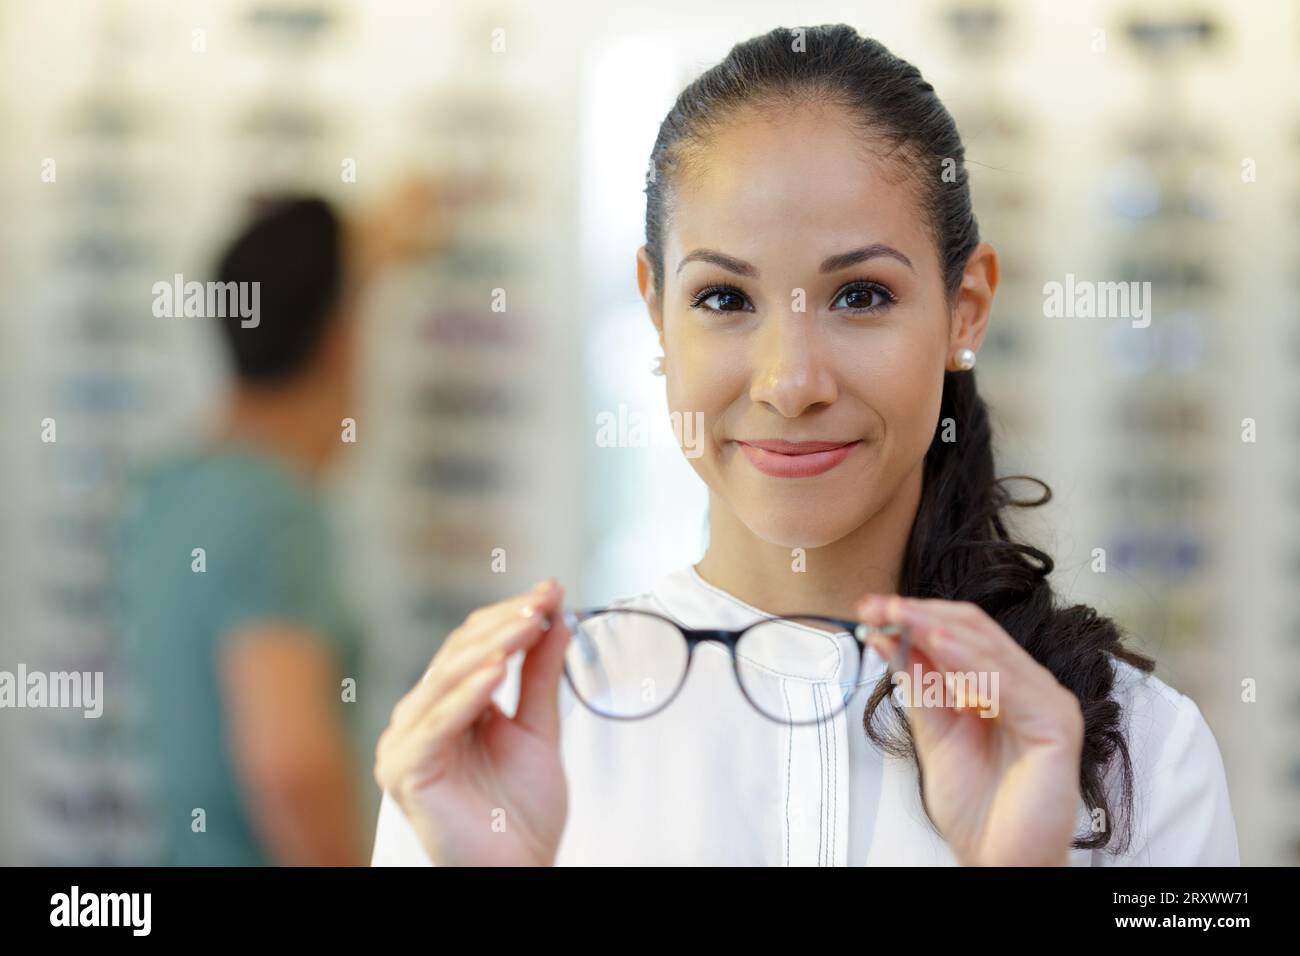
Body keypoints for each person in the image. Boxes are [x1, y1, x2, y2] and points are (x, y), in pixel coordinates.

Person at [369, 24, 1239, 866]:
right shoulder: (500, 738)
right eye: (723, 299)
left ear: (965, 310)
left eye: (860, 296)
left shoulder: (1141, 748)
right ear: (655, 311)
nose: (791, 383)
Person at [118, 184, 438, 865]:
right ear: (339, 341)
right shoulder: (273, 510)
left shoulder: (169, 489)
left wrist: (362, 252)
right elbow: (289, 769)